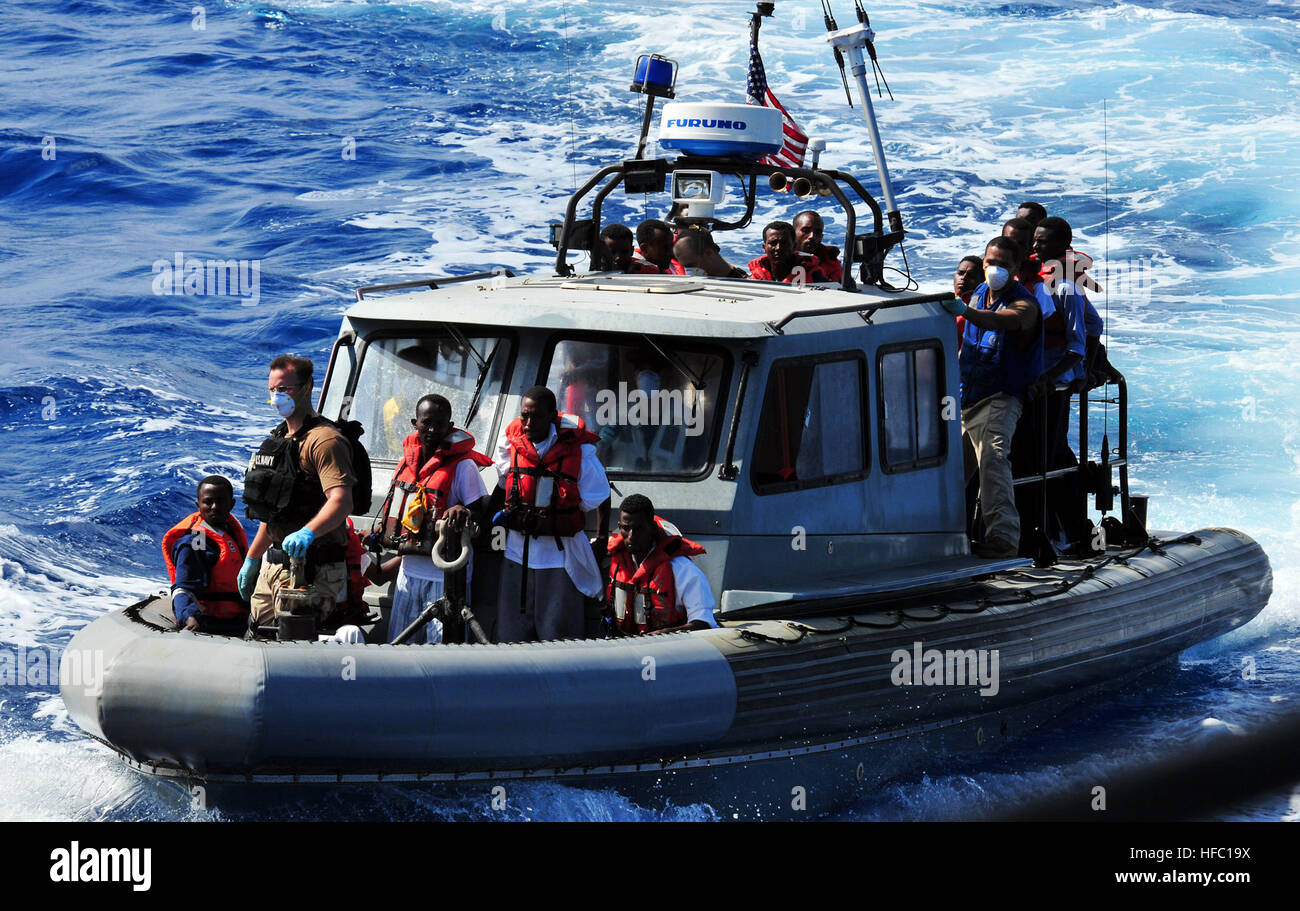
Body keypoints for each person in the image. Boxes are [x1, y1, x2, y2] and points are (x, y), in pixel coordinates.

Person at [943, 237, 1043, 558]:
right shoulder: (978, 295)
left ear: (1015, 269)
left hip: (1000, 399)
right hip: (967, 398)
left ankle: (1003, 539)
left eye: (1002, 264)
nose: (994, 269)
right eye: (990, 262)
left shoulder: (1025, 305)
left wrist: (966, 312)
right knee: (948, 472)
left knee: (993, 463)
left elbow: (1001, 321)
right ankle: (941, 536)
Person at [240, 355, 356, 627]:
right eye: (272, 389)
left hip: (311, 566)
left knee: (295, 637)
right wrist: (252, 559)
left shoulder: (325, 441)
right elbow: (272, 512)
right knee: (261, 632)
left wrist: (308, 532)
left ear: (307, 388)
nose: (276, 396)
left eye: (284, 389)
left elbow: (341, 501)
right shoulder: (279, 440)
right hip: (274, 563)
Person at [494, 385, 611, 642]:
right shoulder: (509, 445)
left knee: (559, 636)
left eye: (535, 416)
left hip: (559, 556)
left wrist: (602, 538)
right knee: (511, 635)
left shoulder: (579, 451)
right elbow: (503, 485)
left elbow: (601, 494)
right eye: (524, 415)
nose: (527, 423)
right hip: (517, 552)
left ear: (552, 416)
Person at [375, 394, 491, 643]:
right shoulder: (405, 463)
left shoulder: (463, 466)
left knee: (440, 649)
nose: (432, 429)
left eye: (440, 424)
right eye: (426, 422)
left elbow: (481, 512)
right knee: (400, 644)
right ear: (414, 423)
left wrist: (464, 511)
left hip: (445, 579)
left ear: (449, 427)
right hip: (408, 573)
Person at [606, 495, 717, 635]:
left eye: (639, 529)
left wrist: (665, 634)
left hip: (667, 649)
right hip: (623, 644)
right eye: (626, 528)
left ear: (652, 528)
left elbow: (704, 624)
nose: (632, 536)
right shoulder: (616, 562)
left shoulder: (682, 570)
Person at [162, 476, 250, 636]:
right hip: (212, 624)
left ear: (232, 504)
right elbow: (184, 588)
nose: (214, 507)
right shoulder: (196, 542)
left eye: (221, 501)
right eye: (208, 502)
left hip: (239, 618)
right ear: (198, 505)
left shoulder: (230, 530)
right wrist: (188, 617)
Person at [748, 221, 829, 283]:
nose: (778, 248)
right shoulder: (755, 277)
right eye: (773, 243)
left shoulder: (814, 276)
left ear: (794, 246)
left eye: (784, 243)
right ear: (764, 248)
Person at [793, 210, 844, 283]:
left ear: (821, 237)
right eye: (806, 230)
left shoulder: (832, 262)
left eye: (817, 232)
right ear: (793, 232)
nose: (812, 236)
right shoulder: (779, 260)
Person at [1001, 217, 1042, 291]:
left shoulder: (1038, 287)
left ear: (1030, 247)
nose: (1013, 248)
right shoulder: (985, 270)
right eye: (1008, 241)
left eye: (1020, 244)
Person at [953, 254, 984, 347]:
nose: (963, 278)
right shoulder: (944, 301)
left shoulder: (984, 306)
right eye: (960, 273)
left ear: (982, 280)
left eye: (971, 276)